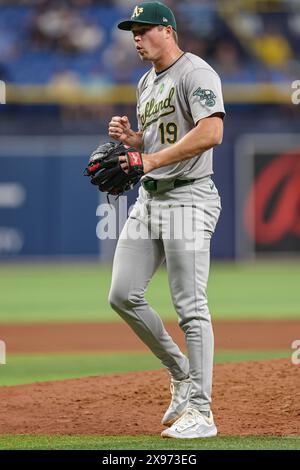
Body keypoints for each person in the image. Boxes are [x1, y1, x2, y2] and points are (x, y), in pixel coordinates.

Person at [108, 1, 225, 439]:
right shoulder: (145, 82)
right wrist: (134, 141)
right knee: (122, 294)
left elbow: (211, 131)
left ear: (167, 30)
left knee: (191, 308)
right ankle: (180, 374)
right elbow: (159, 140)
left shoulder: (196, 73)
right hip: (150, 200)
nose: (136, 38)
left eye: (143, 29)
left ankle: (202, 412)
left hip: (190, 198)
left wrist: (150, 156)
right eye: (132, 31)